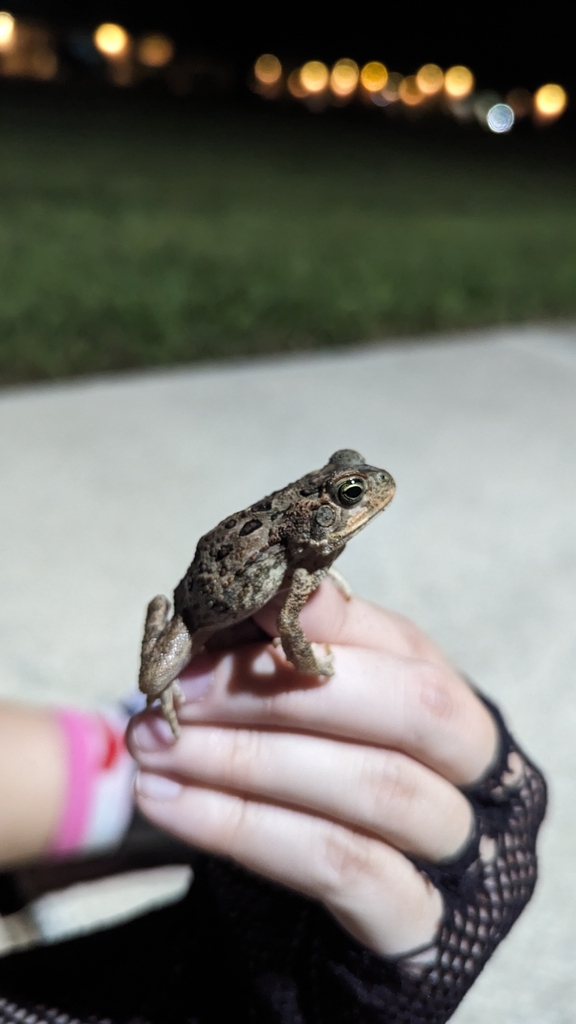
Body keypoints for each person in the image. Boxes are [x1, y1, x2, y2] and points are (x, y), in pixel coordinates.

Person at [0, 580, 547, 1023]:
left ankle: (138, 771)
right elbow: (290, 623)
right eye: (351, 493)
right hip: (199, 609)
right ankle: (168, 769)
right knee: (160, 677)